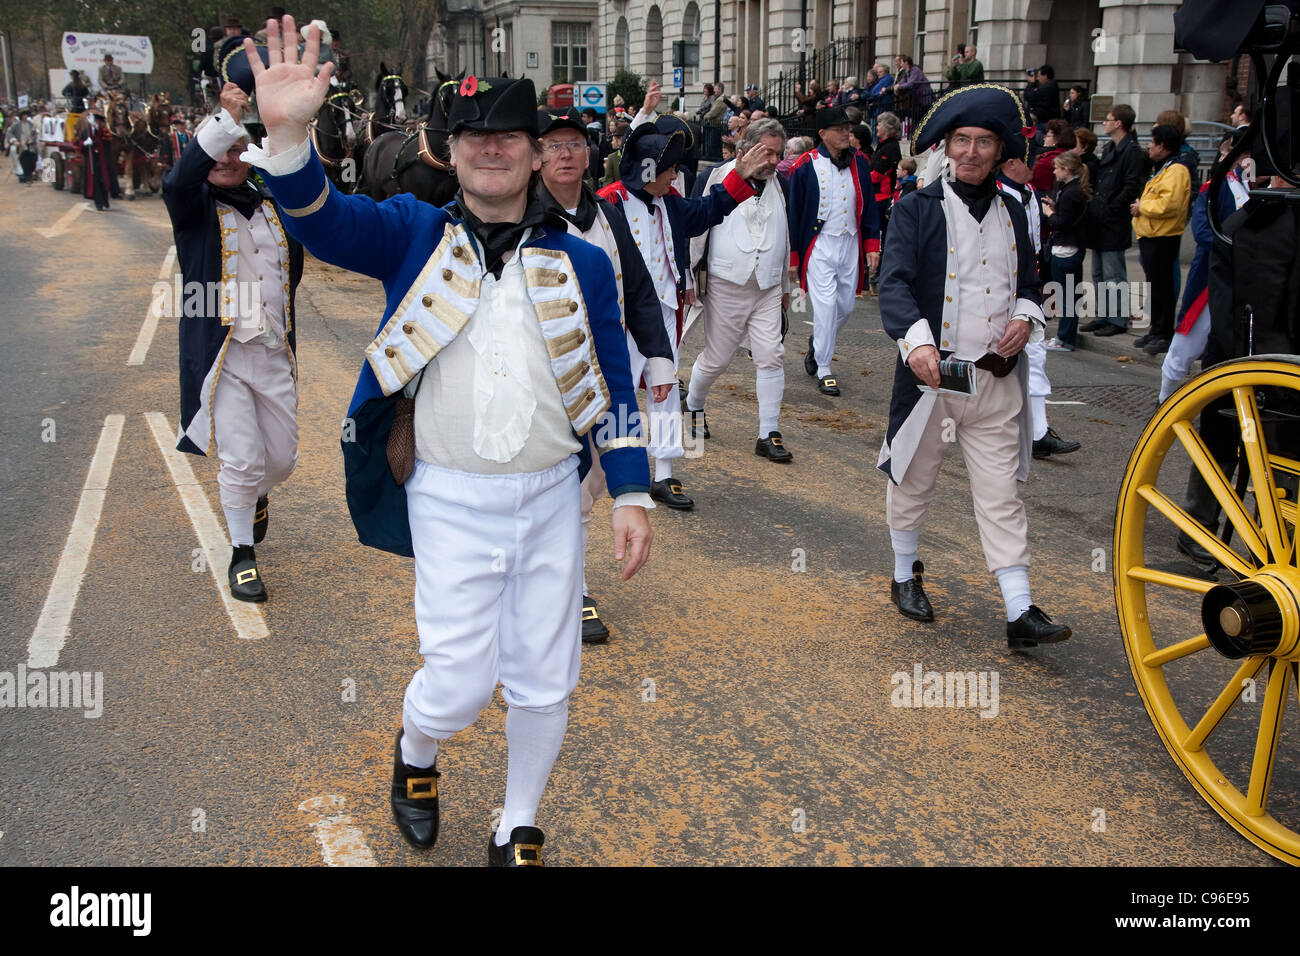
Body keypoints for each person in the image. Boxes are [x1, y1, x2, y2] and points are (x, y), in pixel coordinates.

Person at [243, 18, 653, 866]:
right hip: (447, 497)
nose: (491, 150)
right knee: (460, 684)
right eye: (474, 137)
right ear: (452, 152)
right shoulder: (411, 232)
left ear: (538, 153)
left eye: (508, 136)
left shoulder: (586, 262)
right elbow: (323, 223)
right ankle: (417, 748)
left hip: (549, 500)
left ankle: (518, 826)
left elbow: (613, 384)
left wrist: (633, 492)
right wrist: (287, 139)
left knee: (546, 678)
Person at [877, 84, 1071, 650]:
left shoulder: (1015, 210)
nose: (971, 151)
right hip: (933, 381)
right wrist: (915, 343)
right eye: (961, 140)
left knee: (1001, 493)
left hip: (994, 379)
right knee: (913, 481)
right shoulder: (915, 208)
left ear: (998, 149)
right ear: (945, 146)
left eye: (983, 141)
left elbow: (1032, 284)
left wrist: (1027, 316)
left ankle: (1019, 608)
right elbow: (894, 283)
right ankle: (903, 574)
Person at [534, 106, 674, 644]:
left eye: (573, 144)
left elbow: (637, 287)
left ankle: (562, 580)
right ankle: (575, 590)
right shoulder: (526, 217)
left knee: (596, 479)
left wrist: (657, 357)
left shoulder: (609, 213)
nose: (564, 154)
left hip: (608, 372)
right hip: (550, 374)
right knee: (567, 485)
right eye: (552, 146)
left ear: (589, 153)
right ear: (535, 157)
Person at [163, 81, 305, 602]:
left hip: (271, 348)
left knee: (283, 458)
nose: (227, 158)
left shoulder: (273, 205)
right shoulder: (191, 207)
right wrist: (224, 117)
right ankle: (242, 553)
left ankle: (258, 496)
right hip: (223, 356)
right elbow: (180, 179)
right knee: (241, 458)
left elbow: (293, 273)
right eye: (218, 150)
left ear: (250, 154)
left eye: (236, 148)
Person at [598, 108, 766, 510]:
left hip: (660, 315)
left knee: (665, 389)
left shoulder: (669, 203)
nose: (675, 177)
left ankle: (665, 474)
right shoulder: (607, 203)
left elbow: (709, 210)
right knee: (613, 393)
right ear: (647, 169)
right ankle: (609, 468)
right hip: (618, 318)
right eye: (670, 170)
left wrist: (739, 176)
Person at [685, 118, 792, 462]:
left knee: (771, 354)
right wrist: (689, 278)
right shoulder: (715, 176)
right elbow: (696, 230)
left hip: (767, 286)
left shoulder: (782, 184)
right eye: (768, 152)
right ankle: (694, 405)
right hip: (725, 283)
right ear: (747, 149)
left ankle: (768, 432)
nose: (774, 161)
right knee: (717, 359)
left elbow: (784, 235)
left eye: (779, 153)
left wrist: (786, 284)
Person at [787, 107, 881, 396]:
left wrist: (872, 244)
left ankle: (817, 344)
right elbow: (794, 213)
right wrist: (793, 257)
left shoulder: (861, 162)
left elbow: (870, 206)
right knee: (825, 307)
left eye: (847, 129)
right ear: (822, 134)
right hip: (820, 244)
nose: (845, 133)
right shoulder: (804, 165)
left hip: (850, 243)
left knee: (846, 306)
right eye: (839, 129)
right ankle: (825, 367)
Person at [997, 149, 1081, 460]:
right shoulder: (996, 192)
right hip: (998, 286)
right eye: (1031, 162)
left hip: (1026, 288)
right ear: (1012, 161)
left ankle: (1036, 433)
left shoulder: (1029, 193)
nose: (1037, 170)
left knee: (1033, 354)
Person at [1159, 132, 1250, 401]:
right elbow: (1202, 232)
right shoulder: (1214, 187)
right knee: (1187, 343)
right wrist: (1241, 247)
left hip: (1246, 279)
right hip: (1212, 278)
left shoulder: (1260, 190)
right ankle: (1164, 398)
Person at [1081, 103, 1142, 338]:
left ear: (1118, 123)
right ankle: (1103, 315)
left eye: (1108, 119)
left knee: (1113, 273)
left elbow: (1131, 184)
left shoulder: (1131, 150)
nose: (1104, 123)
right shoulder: (1109, 148)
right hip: (1100, 217)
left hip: (1113, 219)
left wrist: (1112, 206)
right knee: (1098, 273)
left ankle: (1117, 318)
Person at [1129, 124, 1191, 356]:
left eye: (1153, 142)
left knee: (1162, 288)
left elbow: (1169, 204)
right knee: (1154, 287)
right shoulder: (1165, 168)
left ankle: (1164, 332)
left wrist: (1141, 207)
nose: (1149, 147)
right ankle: (1156, 330)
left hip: (1163, 236)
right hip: (1151, 235)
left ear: (1164, 146)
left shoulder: (1177, 171)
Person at [1041, 151, 1092, 352]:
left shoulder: (1072, 192)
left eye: (1057, 168)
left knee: (1067, 296)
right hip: (1067, 247)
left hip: (1067, 249)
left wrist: (1050, 213)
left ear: (1066, 170)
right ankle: (1064, 336)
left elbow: (1062, 223)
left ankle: (1065, 338)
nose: (1054, 172)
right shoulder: (1069, 190)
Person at [80, 104, 116, 209]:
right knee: (96, 182)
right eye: (93, 120)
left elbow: (108, 143)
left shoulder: (104, 130)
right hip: (92, 160)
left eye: (96, 120)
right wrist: (85, 143)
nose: (95, 122)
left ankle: (105, 200)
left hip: (103, 159)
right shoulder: (86, 131)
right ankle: (98, 203)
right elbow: (79, 143)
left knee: (104, 180)